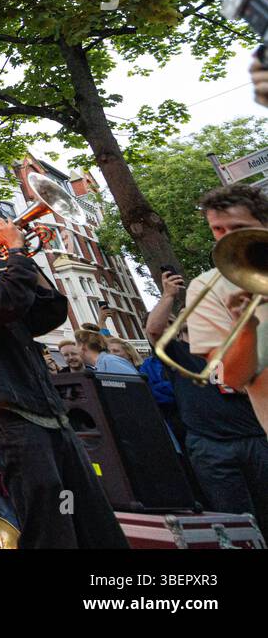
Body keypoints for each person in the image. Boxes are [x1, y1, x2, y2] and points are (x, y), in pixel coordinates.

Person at [0, 222, 128, 548]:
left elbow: (48, 313)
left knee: (83, 512)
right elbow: (6, 302)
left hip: (51, 417)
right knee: (50, 525)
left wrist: (27, 257)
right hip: (15, 423)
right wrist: (15, 252)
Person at [146, 266, 268, 528]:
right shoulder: (179, 354)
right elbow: (154, 331)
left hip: (255, 440)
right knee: (236, 519)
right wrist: (168, 296)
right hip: (211, 447)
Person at [184, 184, 268, 434]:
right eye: (218, 230)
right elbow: (230, 377)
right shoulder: (205, 287)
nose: (228, 237)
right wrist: (245, 329)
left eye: (239, 228)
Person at [77, 329, 142, 377]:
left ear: (83, 346)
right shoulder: (103, 363)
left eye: (77, 345)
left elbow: (135, 386)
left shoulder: (109, 361)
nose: (76, 349)